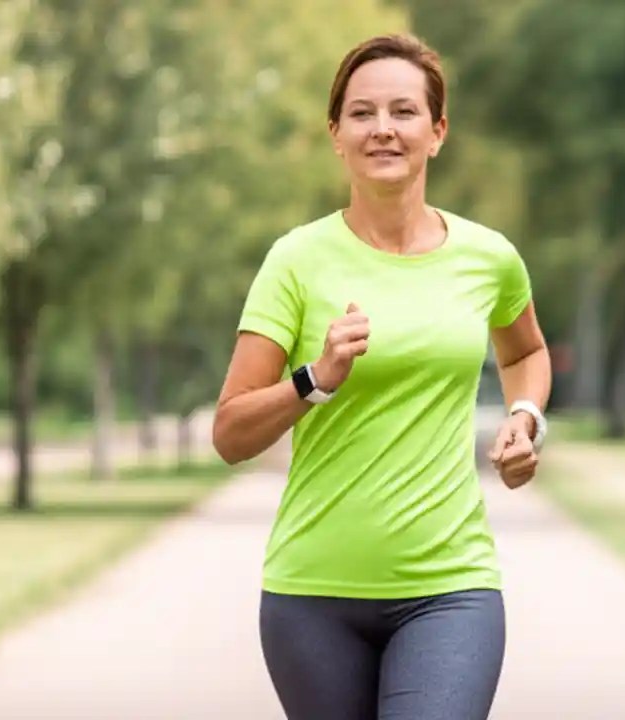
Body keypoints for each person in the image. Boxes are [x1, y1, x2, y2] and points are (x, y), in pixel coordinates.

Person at [212, 33, 552, 720]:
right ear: (336, 134)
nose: (384, 129)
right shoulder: (296, 261)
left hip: (451, 586)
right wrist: (314, 379)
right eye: (363, 113)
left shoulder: (489, 259)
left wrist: (525, 419)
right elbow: (231, 431)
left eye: (404, 111)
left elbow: (525, 353)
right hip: (313, 595)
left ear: (438, 130)